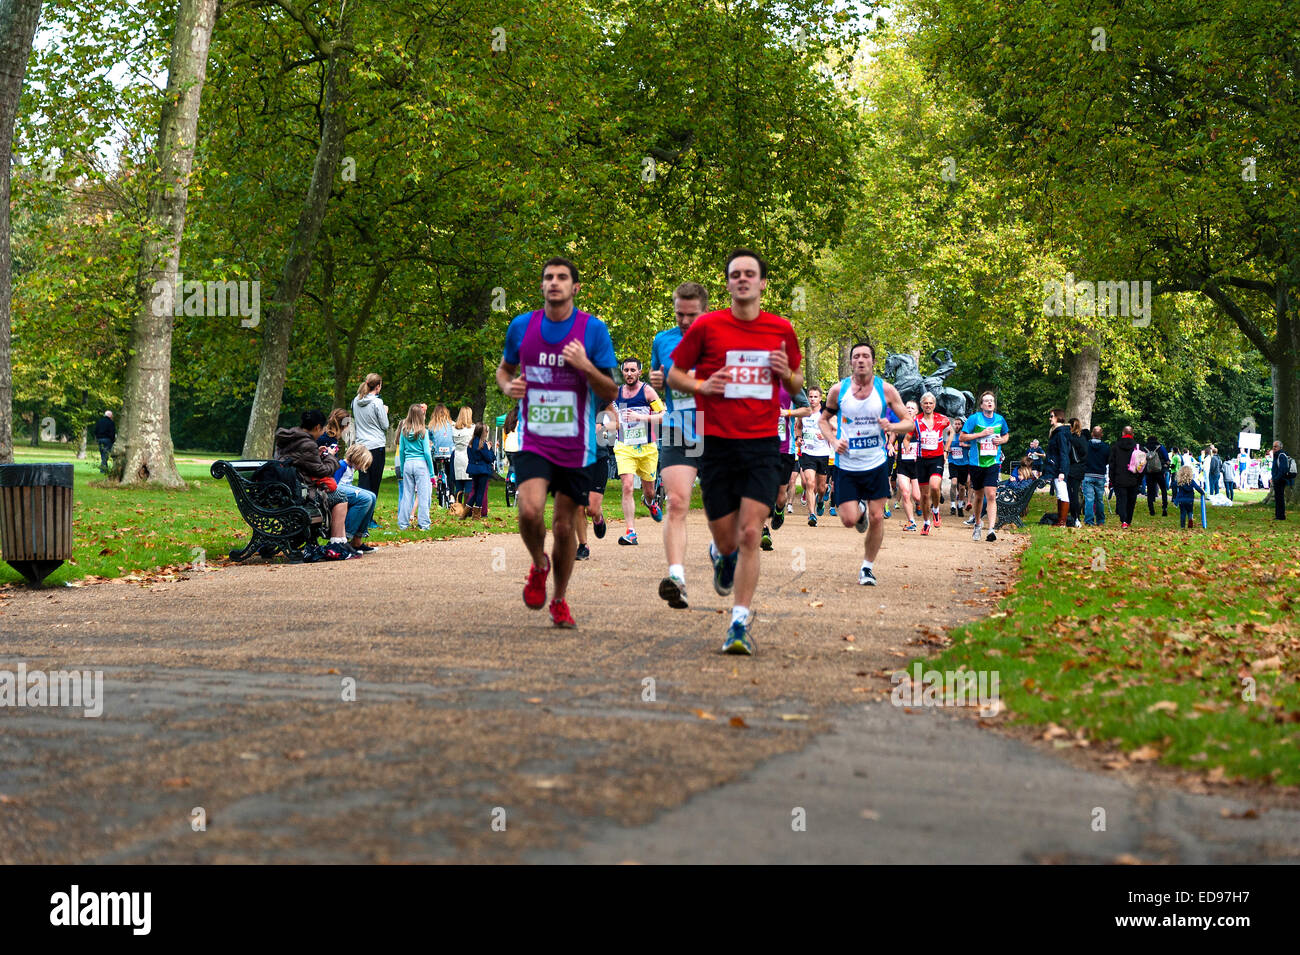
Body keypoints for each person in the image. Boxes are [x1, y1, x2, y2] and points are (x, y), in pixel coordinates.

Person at [667, 248, 802, 655]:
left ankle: (739, 623)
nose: (742, 279)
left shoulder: (780, 329)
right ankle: (719, 555)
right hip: (717, 445)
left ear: (762, 283)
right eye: (735, 274)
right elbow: (674, 374)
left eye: (750, 273)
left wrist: (787, 375)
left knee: (748, 534)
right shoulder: (707, 327)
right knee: (726, 540)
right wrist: (702, 387)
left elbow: (796, 384)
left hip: (762, 444)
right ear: (727, 283)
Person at [496, 256, 618, 627]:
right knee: (529, 509)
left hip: (577, 444)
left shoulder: (593, 331)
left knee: (565, 527)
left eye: (562, 277)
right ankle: (539, 564)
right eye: (548, 277)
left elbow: (610, 390)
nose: (554, 283)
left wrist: (584, 366)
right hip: (535, 439)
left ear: (575, 287)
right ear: (542, 285)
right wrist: (508, 386)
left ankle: (560, 599)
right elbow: (505, 369)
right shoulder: (522, 326)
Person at [819, 342, 914, 585]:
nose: (860, 360)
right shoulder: (838, 391)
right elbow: (823, 420)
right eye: (856, 356)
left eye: (865, 356)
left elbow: (909, 423)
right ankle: (858, 515)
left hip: (876, 464)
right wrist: (832, 439)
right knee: (849, 519)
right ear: (851, 362)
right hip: (846, 465)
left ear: (873, 361)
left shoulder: (887, 391)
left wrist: (892, 426)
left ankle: (867, 568)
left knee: (878, 516)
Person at [649, 282, 709, 605]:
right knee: (677, 501)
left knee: (721, 509)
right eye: (679, 314)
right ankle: (677, 577)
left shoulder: (720, 338)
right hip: (677, 426)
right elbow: (656, 376)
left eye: (692, 315)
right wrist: (656, 381)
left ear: (705, 311)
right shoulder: (663, 339)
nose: (685, 321)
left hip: (712, 427)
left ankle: (720, 550)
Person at [275, 410, 356, 560]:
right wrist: (331, 457)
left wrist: (317, 455)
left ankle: (340, 542)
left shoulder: (289, 438)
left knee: (338, 494)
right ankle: (336, 544)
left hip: (283, 490)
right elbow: (321, 471)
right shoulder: (307, 443)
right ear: (318, 427)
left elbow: (300, 462)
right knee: (341, 497)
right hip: (301, 493)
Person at [612, 357, 665, 545]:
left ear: (639, 372)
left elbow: (663, 415)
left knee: (649, 490)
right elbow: (611, 415)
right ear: (622, 372)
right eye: (626, 370)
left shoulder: (647, 391)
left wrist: (641, 418)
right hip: (624, 447)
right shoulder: (616, 393)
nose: (629, 374)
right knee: (627, 486)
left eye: (633, 370)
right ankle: (631, 531)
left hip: (647, 448)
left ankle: (651, 502)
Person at [763, 381, 811, 549]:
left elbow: (807, 409)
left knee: (780, 494)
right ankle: (764, 530)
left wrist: (787, 412)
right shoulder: (755, 379)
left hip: (784, 448)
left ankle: (779, 510)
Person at [960, 391, 1011, 542]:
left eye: (991, 401)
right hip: (976, 462)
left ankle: (991, 530)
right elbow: (963, 437)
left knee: (991, 495)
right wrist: (980, 434)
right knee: (979, 497)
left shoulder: (1000, 419)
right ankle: (977, 524)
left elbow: (1006, 435)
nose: (989, 403)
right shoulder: (974, 419)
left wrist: (1001, 441)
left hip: (993, 462)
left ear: (994, 404)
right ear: (981, 405)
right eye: (986, 401)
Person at [575, 404, 617, 560]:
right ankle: (583, 546)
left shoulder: (601, 395)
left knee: (591, 509)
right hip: (576, 458)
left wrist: (603, 429)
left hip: (598, 457)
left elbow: (615, 423)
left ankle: (598, 518)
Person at [913, 392, 950, 535]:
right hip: (921, 460)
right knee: (924, 495)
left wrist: (946, 450)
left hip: (937, 458)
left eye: (930, 403)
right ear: (921, 405)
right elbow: (908, 436)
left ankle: (936, 510)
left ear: (934, 405)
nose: (928, 405)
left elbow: (951, 432)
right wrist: (906, 445)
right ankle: (926, 523)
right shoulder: (916, 420)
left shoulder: (942, 419)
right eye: (925, 403)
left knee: (935, 486)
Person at [351, 374, 389, 511]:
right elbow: (385, 425)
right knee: (374, 484)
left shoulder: (355, 400)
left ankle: (360, 514)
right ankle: (369, 518)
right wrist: (385, 411)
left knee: (363, 482)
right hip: (376, 446)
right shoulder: (377, 403)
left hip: (361, 446)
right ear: (378, 386)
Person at [396, 404, 434, 531]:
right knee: (423, 496)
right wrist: (432, 472)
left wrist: (402, 468)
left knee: (407, 495)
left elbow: (401, 450)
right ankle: (424, 524)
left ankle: (402, 524)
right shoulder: (424, 431)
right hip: (421, 465)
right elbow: (427, 453)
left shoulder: (404, 431)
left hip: (407, 464)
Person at [334, 444, 377, 551]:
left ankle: (358, 538)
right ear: (357, 459)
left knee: (372, 496)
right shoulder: (342, 466)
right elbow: (335, 484)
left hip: (345, 492)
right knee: (366, 498)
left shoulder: (350, 468)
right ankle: (347, 535)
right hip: (338, 493)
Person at [798, 387, 832, 525]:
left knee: (821, 487)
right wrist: (798, 437)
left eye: (815, 397)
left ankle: (820, 500)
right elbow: (798, 426)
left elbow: (835, 430)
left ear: (820, 399)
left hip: (822, 453)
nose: (812, 399)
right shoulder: (804, 412)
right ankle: (811, 515)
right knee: (809, 483)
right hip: (807, 452)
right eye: (810, 397)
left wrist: (824, 434)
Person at [1107, 425, 1141, 528]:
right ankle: (1128, 519)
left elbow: (1112, 464)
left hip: (1119, 477)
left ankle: (1123, 520)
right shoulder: (1138, 447)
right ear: (1133, 434)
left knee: (1121, 500)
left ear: (1123, 433)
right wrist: (1139, 479)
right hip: (1133, 477)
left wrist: (1111, 478)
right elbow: (1142, 465)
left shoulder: (1115, 447)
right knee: (1131, 500)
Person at [895, 401, 921, 531]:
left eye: (912, 408)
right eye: (907, 407)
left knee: (917, 496)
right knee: (905, 493)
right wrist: (890, 444)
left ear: (917, 411)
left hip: (917, 464)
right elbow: (893, 435)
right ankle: (911, 522)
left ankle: (919, 504)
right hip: (902, 463)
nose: (909, 409)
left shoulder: (920, 425)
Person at [1045, 408, 1072, 526]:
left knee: (1062, 493)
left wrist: (1062, 471)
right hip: (1056, 467)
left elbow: (1063, 453)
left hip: (1059, 469)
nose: (1050, 419)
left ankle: (1062, 521)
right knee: (1060, 494)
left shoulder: (1060, 434)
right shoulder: (1057, 433)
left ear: (1057, 417)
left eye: (1052, 416)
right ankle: (1061, 520)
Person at [466, 423, 496, 518]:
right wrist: (489, 449)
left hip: (474, 470)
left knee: (475, 491)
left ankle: (465, 512)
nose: (487, 433)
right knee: (480, 492)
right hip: (483, 470)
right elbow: (490, 458)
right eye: (486, 431)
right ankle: (476, 514)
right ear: (483, 432)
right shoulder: (482, 444)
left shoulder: (471, 443)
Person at [429, 404, 455, 505]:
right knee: (450, 474)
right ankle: (452, 495)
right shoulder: (452, 425)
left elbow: (430, 439)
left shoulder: (432, 425)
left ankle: (435, 476)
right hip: (449, 453)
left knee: (434, 459)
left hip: (437, 454)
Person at [1066, 418, 1088, 527]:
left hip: (1073, 468)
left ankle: (1075, 517)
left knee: (1072, 494)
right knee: (1075, 493)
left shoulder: (1071, 439)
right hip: (1080, 469)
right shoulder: (1082, 438)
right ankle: (1076, 517)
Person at [947, 415, 969, 518]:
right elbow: (943, 445)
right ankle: (952, 505)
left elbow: (973, 445)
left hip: (964, 463)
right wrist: (947, 448)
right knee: (953, 483)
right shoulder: (949, 436)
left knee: (961, 487)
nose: (956, 426)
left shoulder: (965, 436)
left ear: (962, 425)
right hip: (953, 462)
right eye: (955, 424)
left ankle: (960, 505)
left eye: (958, 424)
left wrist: (965, 445)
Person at [1172, 464, 1204, 530]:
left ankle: (1182, 526)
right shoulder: (1191, 482)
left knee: (1183, 513)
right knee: (1190, 511)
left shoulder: (1179, 482)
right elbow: (1197, 488)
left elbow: (1173, 485)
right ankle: (1190, 519)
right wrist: (1202, 493)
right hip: (1190, 500)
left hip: (1181, 500)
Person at [452, 407, 475, 499]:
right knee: (469, 485)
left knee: (458, 486)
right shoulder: (473, 428)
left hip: (457, 458)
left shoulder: (454, 429)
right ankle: (466, 508)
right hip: (468, 457)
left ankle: (457, 506)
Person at [1271, 440, 1292, 520]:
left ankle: (1281, 516)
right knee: (1278, 498)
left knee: (1280, 498)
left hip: (1280, 480)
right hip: (1277, 479)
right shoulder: (1277, 455)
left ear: (1280, 447)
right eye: (1273, 446)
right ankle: (1278, 515)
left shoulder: (1281, 455)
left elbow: (1282, 469)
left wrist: (1276, 478)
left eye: (1275, 446)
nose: (1274, 448)